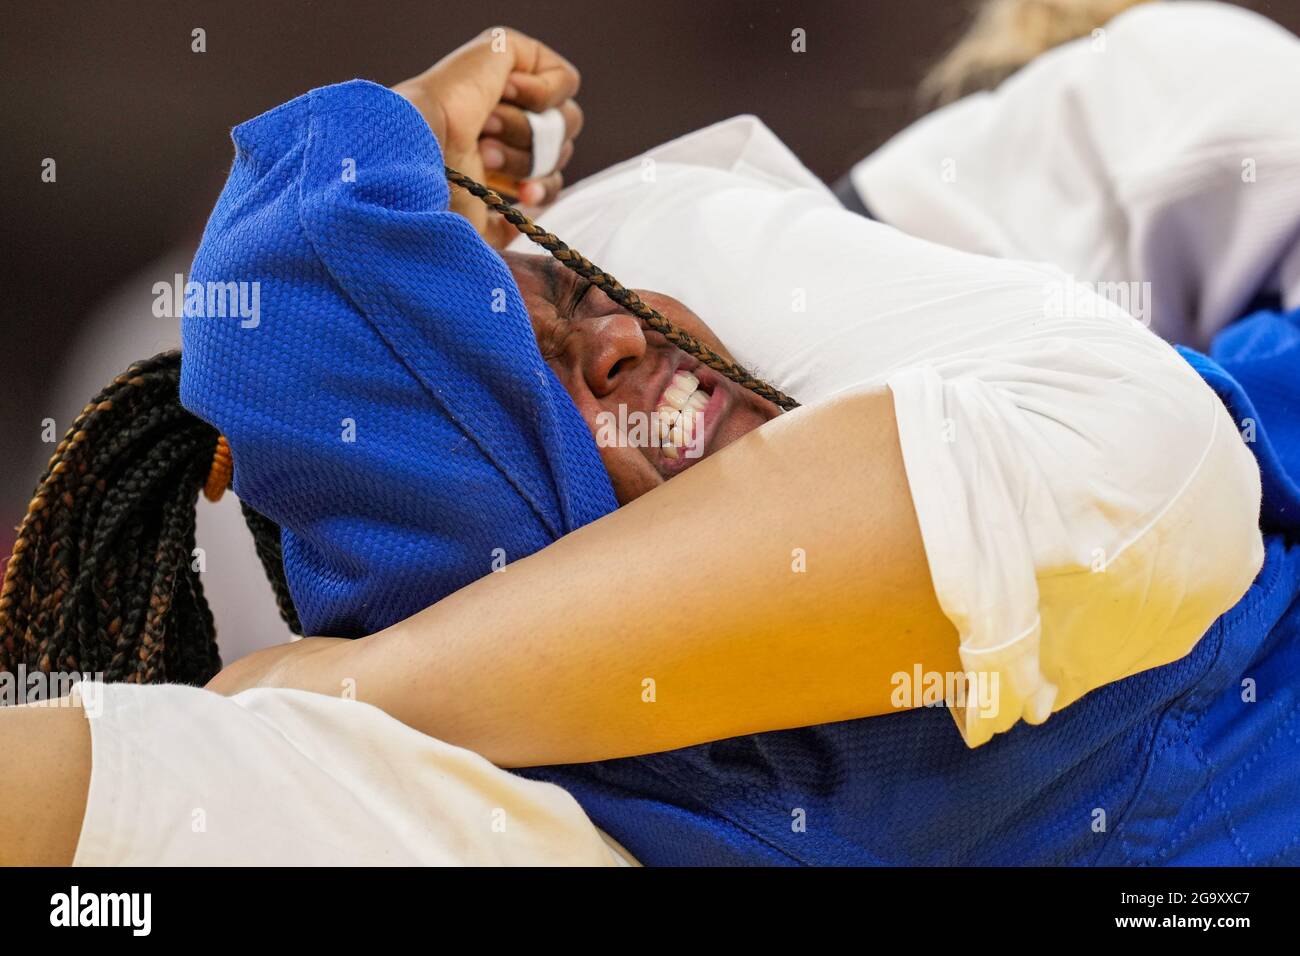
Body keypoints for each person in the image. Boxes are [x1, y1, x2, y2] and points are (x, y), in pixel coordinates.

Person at [0, 21, 1270, 866]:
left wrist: (354, 681)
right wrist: (343, 698)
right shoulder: (495, 817)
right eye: (525, 379)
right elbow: (1148, 460)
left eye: (572, 286)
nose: (619, 325)